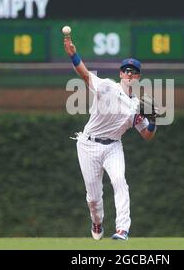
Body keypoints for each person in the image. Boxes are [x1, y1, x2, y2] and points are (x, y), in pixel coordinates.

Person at [63, 32, 157, 241]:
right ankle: (97, 222)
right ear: (120, 74)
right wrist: (73, 56)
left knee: (119, 181)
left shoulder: (137, 106)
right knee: (94, 199)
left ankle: (122, 229)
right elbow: (85, 75)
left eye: (133, 72)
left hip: (113, 146)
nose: (129, 74)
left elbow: (147, 135)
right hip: (88, 144)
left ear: (138, 77)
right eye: (126, 71)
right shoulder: (106, 86)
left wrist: (154, 121)